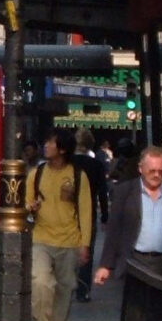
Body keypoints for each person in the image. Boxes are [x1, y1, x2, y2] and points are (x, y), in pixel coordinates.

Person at [27, 128, 91, 321]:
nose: (46, 146)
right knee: (40, 283)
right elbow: (25, 206)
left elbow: (85, 211)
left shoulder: (77, 176)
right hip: (41, 238)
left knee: (65, 289)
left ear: (62, 148)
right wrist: (30, 208)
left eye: (51, 143)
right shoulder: (36, 173)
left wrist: (85, 244)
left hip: (69, 240)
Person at [94, 145, 162, 284]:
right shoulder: (125, 192)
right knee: (136, 305)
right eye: (152, 171)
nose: (157, 175)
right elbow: (114, 229)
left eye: (161, 171)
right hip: (134, 261)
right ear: (140, 168)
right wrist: (105, 265)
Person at [74, 127, 109, 302]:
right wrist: (104, 215)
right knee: (86, 249)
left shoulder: (68, 162)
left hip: (68, 212)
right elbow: (103, 192)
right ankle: (83, 289)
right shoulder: (97, 165)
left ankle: (67, 285)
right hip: (88, 212)